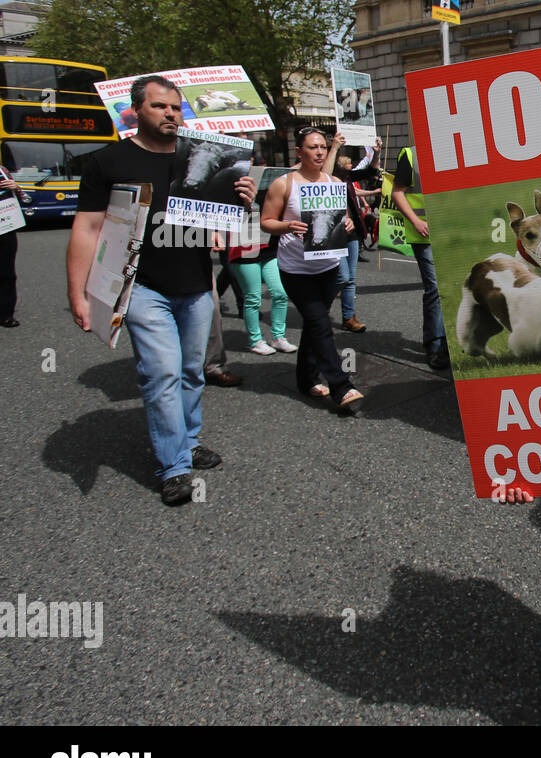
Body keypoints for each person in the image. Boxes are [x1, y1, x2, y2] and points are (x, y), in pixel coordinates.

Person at [66, 75, 254, 505]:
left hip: (195, 285)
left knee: (191, 372)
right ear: (135, 111)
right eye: (159, 107)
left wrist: (241, 199)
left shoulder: (202, 155)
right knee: (162, 373)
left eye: (175, 108)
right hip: (140, 287)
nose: (170, 114)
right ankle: (174, 467)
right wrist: (78, 293)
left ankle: (187, 441)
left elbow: (227, 224)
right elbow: (87, 228)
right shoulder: (107, 162)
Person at [260, 127, 363, 412]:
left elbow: (338, 217)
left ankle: (305, 379)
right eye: (312, 147)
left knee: (314, 324)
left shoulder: (332, 181)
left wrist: (348, 224)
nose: (319, 152)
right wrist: (286, 226)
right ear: (299, 151)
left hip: (328, 266)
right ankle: (341, 385)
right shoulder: (284, 184)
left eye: (322, 147)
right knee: (320, 323)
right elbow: (266, 221)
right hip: (296, 269)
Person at [391, 145, 449, 370]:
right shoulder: (411, 154)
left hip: (452, 232)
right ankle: (434, 345)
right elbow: (398, 192)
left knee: (451, 287)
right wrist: (416, 221)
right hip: (424, 235)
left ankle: (449, 341)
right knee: (435, 288)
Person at [324, 134, 382, 333]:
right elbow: (324, 180)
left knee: (351, 278)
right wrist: (334, 148)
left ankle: (349, 317)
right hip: (332, 232)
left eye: (323, 148)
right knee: (343, 277)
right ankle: (321, 307)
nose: (319, 152)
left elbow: (368, 171)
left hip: (352, 231)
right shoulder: (318, 174)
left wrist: (376, 153)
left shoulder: (343, 173)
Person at [217, 220, 294, 356]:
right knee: (253, 297)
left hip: (269, 248)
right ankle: (255, 341)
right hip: (244, 247)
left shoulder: (268, 197)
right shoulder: (237, 198)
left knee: (280, 293)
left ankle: (278, 337)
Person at [0, 167, 19, 327]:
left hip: (5, 227)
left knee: (7, 274)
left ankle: (6, 314)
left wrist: (16, 187)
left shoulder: (2, 170)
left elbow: (22, 197)